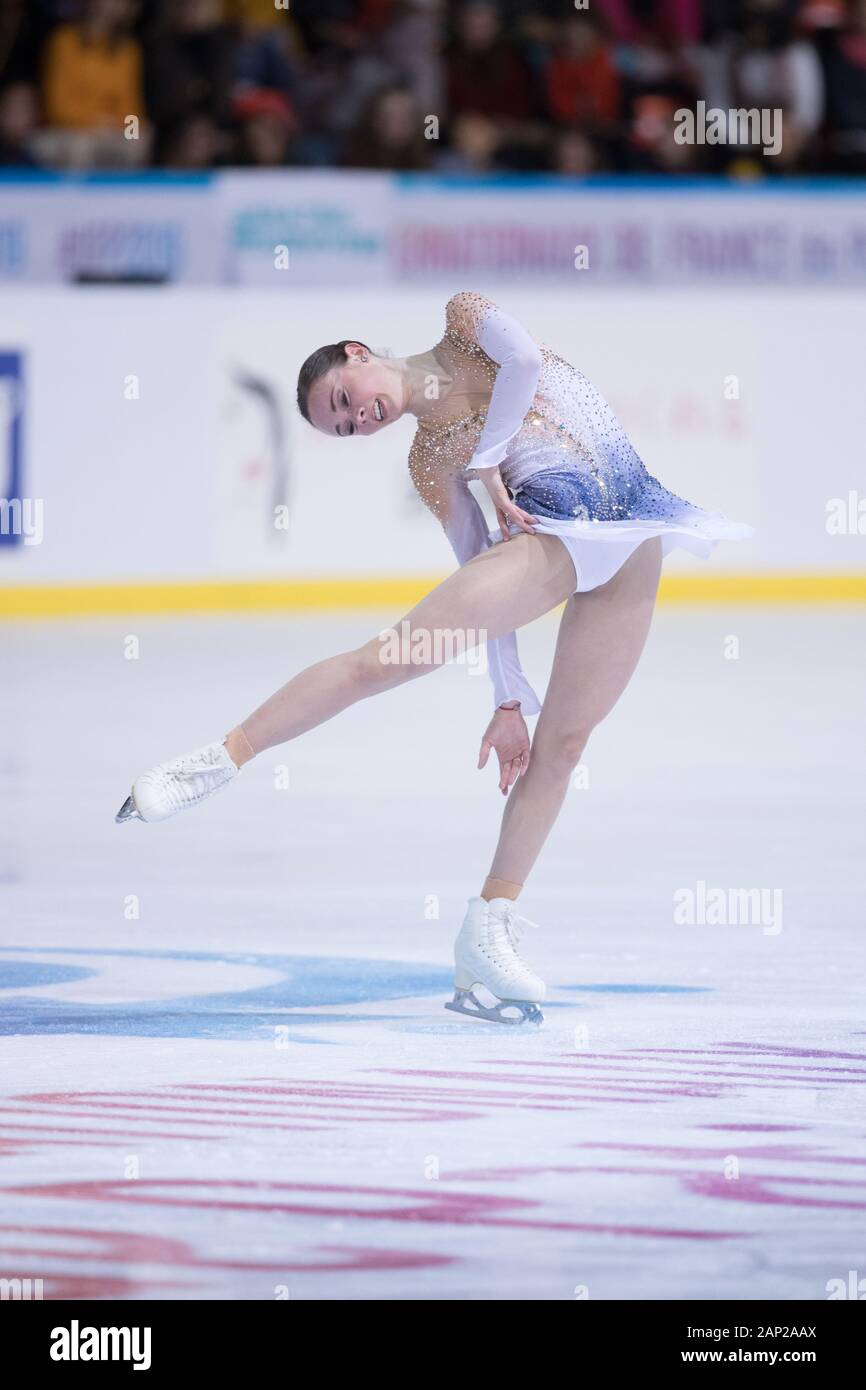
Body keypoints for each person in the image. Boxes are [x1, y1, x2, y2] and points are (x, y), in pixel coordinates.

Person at [116, 292, 751, 1025]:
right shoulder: (430, 462)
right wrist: (505, 697)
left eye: (344, 400)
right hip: (546, 549)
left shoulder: (465, 319)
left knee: (566, 746)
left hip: (633, 536)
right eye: (345, 426)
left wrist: (486, 461)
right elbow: (479, 561)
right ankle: (216, 760)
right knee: (381, 662)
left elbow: (522, 361)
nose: (358, 419)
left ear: (358, 352)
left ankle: (488, 928)